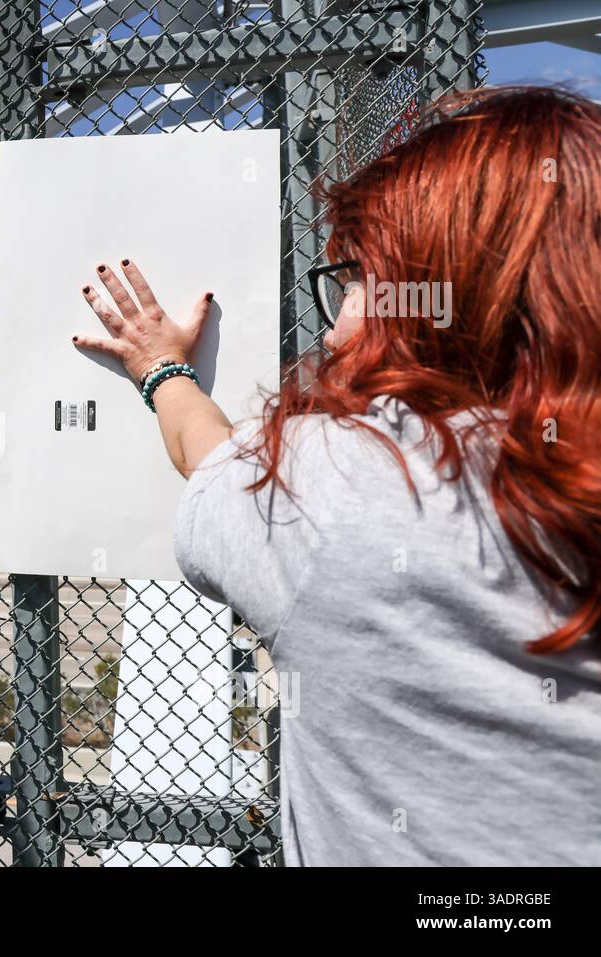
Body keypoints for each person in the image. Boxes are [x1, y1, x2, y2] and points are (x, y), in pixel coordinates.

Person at [71, 86, 601, 866]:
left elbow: (201, 448)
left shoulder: (342, 486)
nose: (335, 319)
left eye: (352, 278)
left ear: (422, 294)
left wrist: (158, 367)